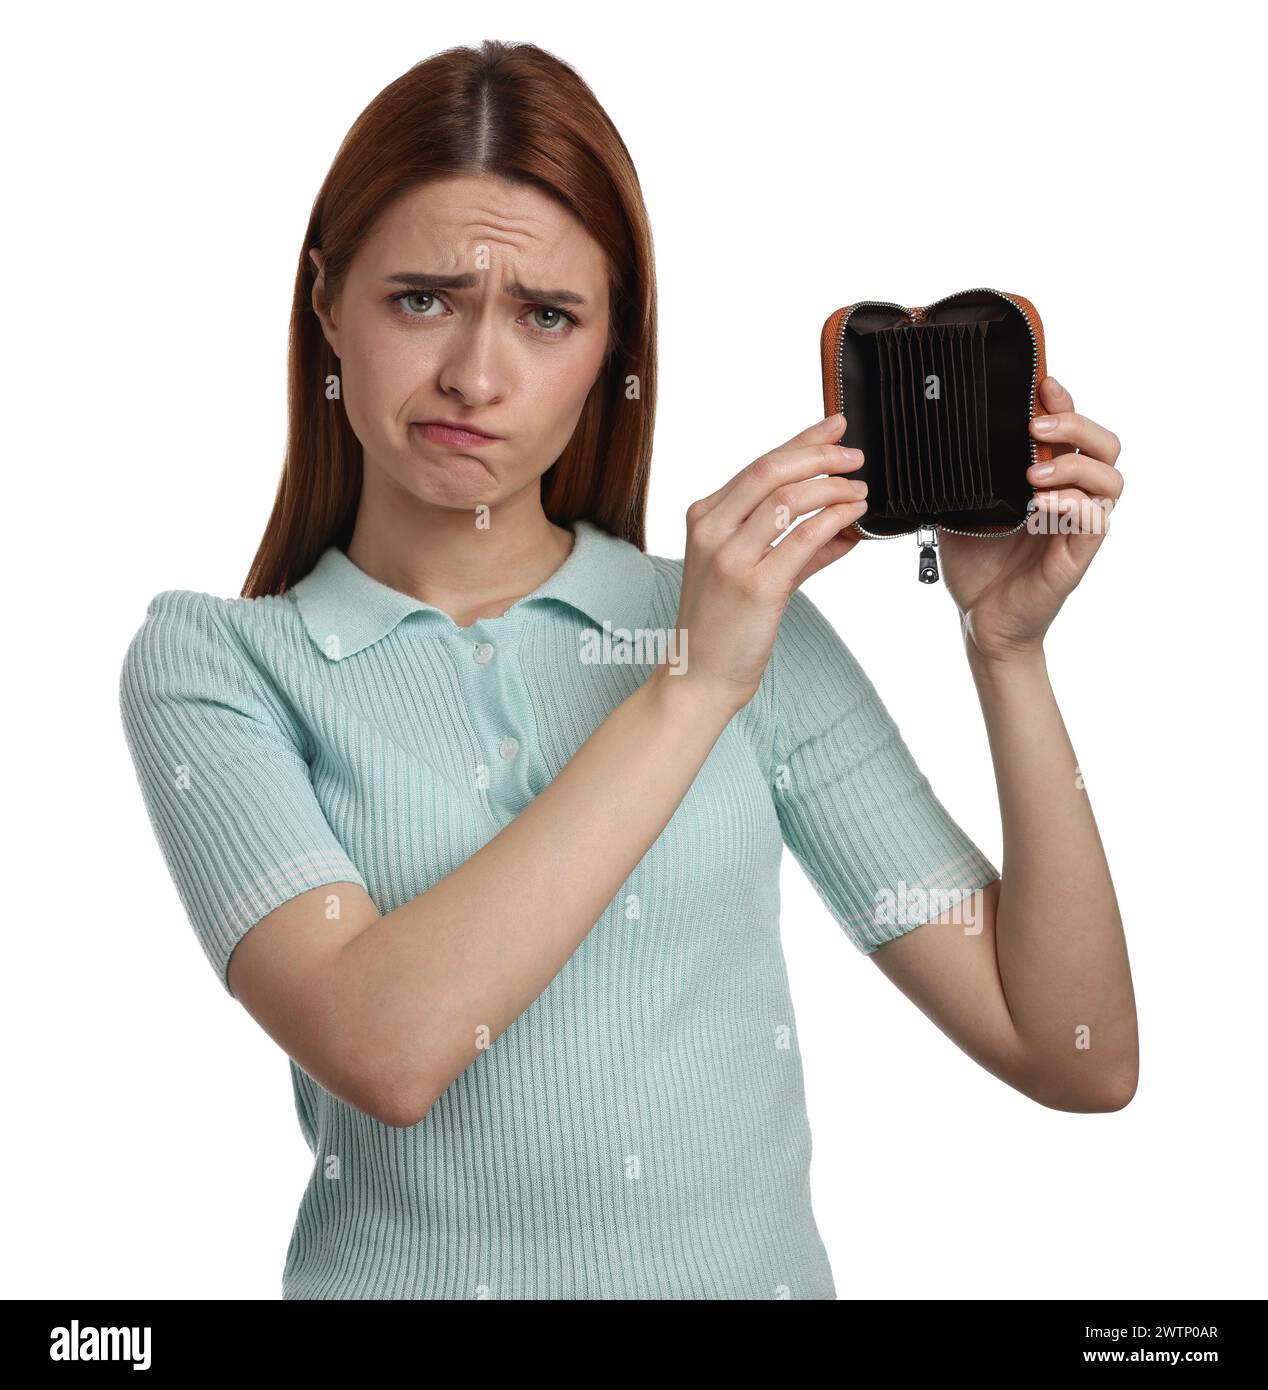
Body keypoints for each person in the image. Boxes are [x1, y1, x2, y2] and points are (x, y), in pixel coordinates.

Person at [117, 40, 1136, 1301]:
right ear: (325, 300)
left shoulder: (739, 628)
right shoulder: (218, 665)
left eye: (547, 316)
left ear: (611, 348)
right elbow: (385, 1048)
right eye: (420, 298)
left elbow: (1074, 1053)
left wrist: (1006, 652)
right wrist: (693, 686)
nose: (475, 376)